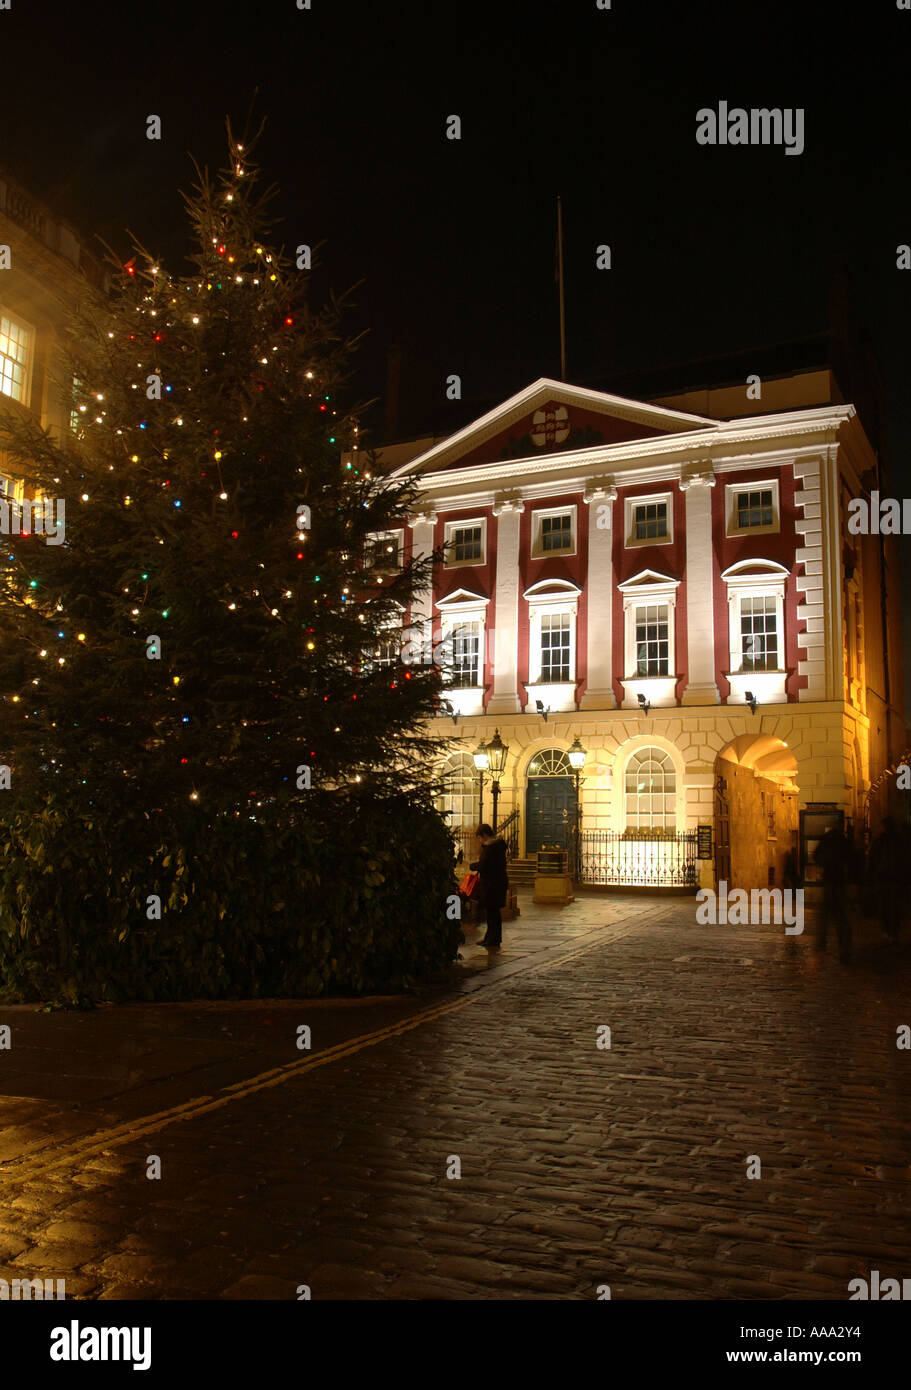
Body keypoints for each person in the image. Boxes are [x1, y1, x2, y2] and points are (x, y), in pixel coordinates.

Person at [813, 824, 851, 963]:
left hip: (829, 882)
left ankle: (821, 943)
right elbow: (850, 859)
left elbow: (816, 856)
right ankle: (844, 948)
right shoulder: (842, 841)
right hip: (839, 882)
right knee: (842, 918)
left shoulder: (826, 841)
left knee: (824, 916)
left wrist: (825, 864)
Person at [867, 817, 908, 940]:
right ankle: (894, 930)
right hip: (896, 878)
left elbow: (872, 859)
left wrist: (870, 876)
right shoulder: (900, 841)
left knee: (884, 905)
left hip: (883, 877)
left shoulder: (879, 841)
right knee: (894, 906)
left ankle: (887, 929)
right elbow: (905, 859)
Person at [470, 823, 508, 950]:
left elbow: (484, 866)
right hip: (498, 883)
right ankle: (491, 938)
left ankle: (492, 939)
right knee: (493, 913)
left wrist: (473, 866)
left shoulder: (490, 848)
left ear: (485, 835)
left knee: (492, 913)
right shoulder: (498, 846)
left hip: (492, 884)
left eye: (480, 837)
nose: (480, 841)